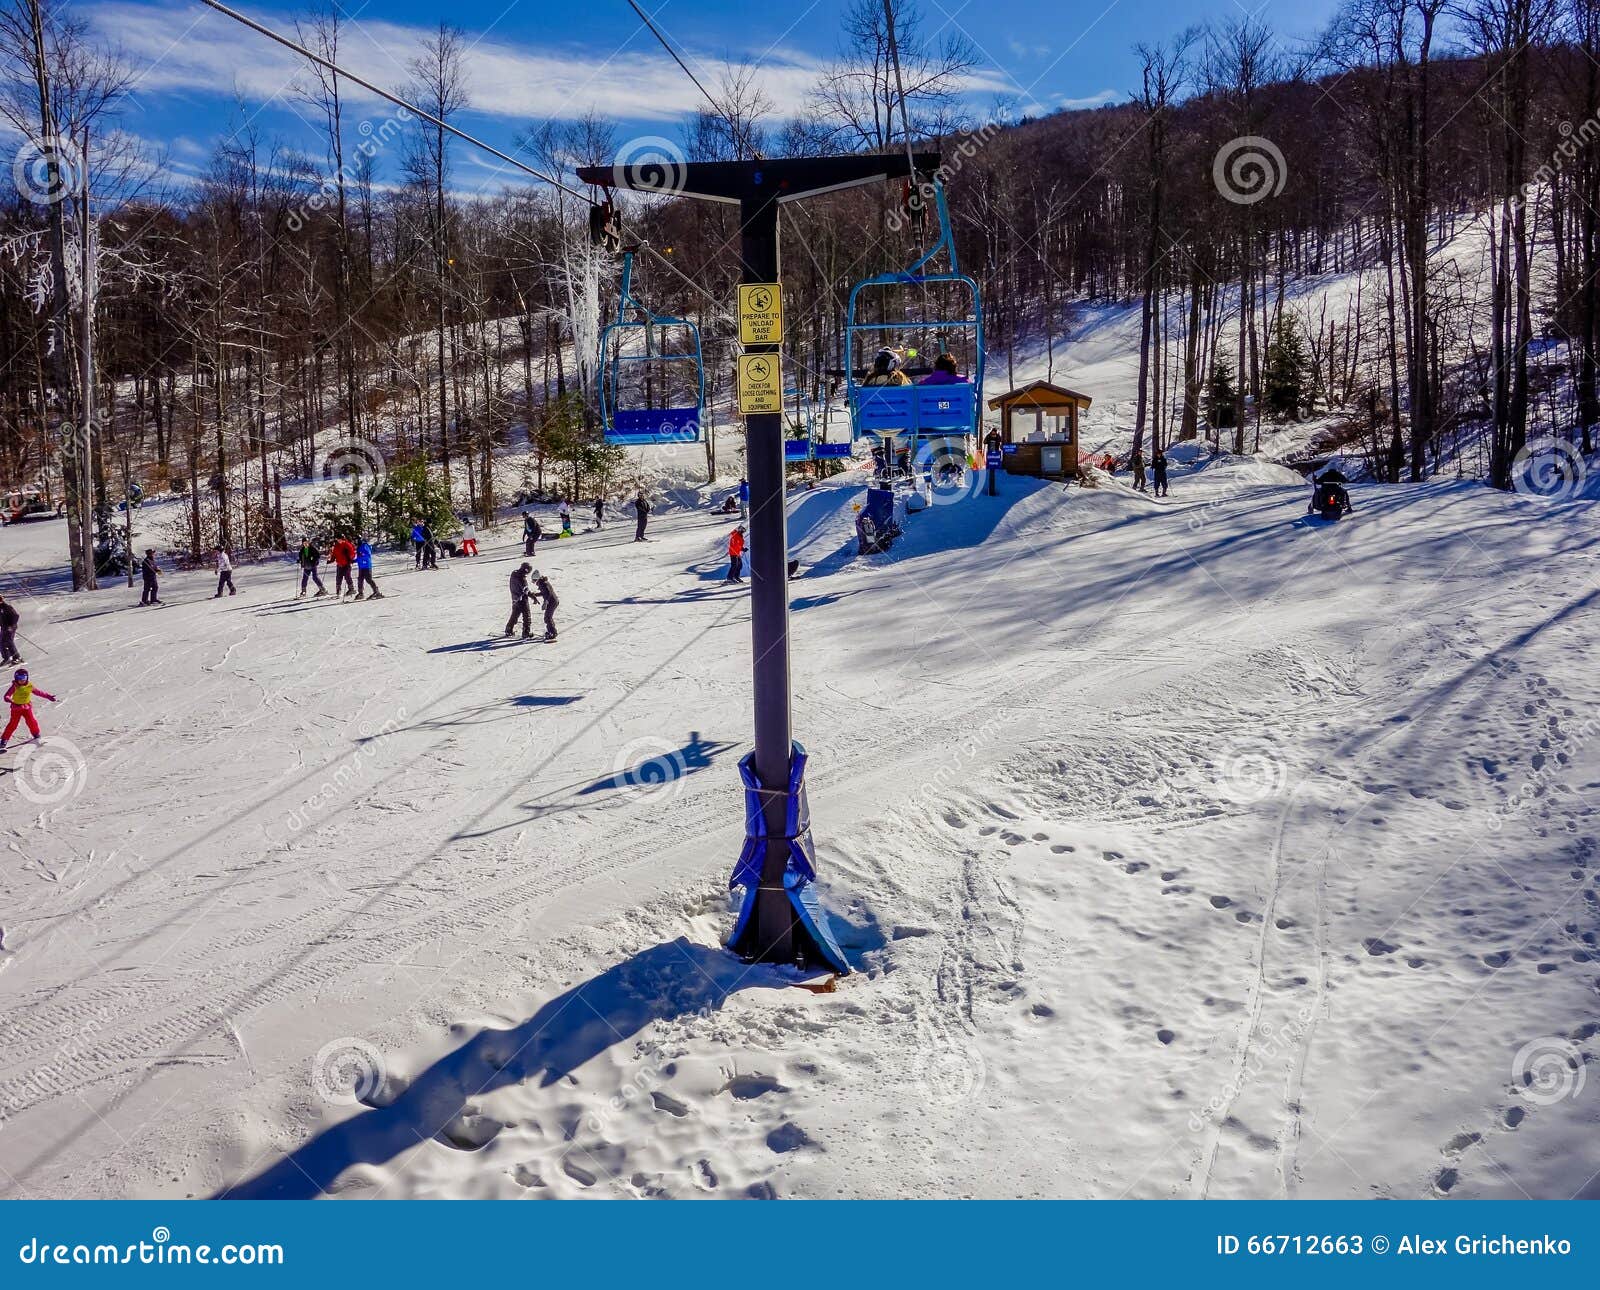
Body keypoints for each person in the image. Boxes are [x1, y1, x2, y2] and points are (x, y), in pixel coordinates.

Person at [1, 667, 57, 751]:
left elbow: (38, 692)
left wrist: (48, 696)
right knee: (13, 724)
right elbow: (6, 696)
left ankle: (36, 735)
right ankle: (3, 741)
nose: (22, 680)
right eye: (19, 678)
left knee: (32, 721)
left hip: (26, 707)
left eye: (24, 678)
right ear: (16, 678)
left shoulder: (29, 685)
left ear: (27, 678)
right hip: (16, 708)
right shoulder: (14, 686)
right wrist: (10, 700)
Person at [505, 563, 534, 639]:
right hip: (522, 599)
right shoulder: (521, 578)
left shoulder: (514, 573)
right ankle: (526, 633)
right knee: (526, 616)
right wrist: (533, 597)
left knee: (515, 614)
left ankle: (508, 629)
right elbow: (526, 590)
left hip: (515, 598)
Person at [531, 568, 559, 641]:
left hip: (552, 602)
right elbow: (544, 593)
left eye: (533, 580)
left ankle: (552, 633)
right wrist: (535, 594)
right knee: (548, 617)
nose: (533, 582)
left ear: (536, 579)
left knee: (547, 618)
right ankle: (552, 631)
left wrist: (545, 602)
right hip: (553, 601)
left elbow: (548, 594)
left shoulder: (543, 584)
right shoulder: (543, 582)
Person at [0, 595, 22, 666]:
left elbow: (16, 616)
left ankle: (17, 658)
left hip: (10, 627)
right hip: (4, 628)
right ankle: (7, 658)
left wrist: (11, 625)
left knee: (9, 641)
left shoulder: (7, 607)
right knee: (1, 642)